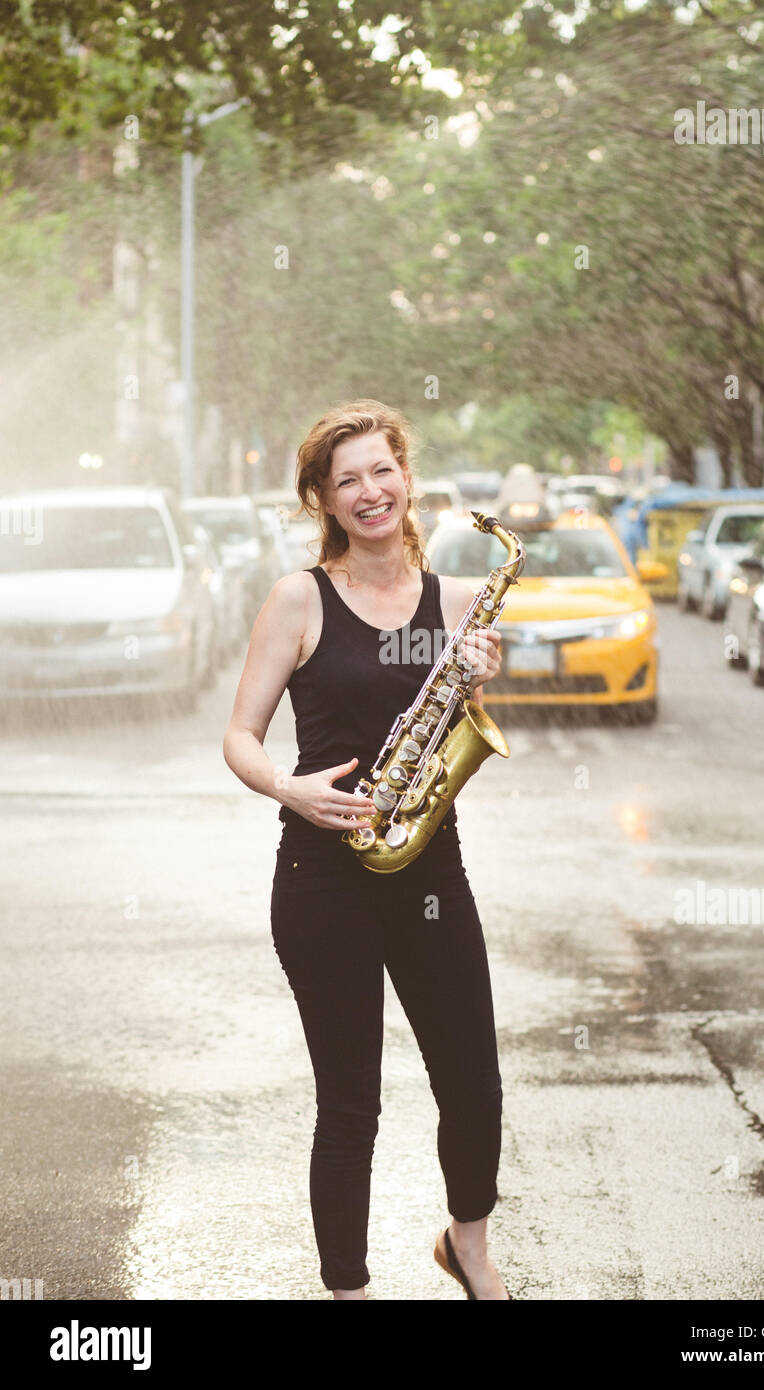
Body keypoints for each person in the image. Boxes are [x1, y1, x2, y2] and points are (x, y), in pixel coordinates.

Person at [223, 400, 511, 1300]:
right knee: (351, 1107)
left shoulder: (459, 604)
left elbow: (445, 740)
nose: (370, 490)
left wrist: (478, 683)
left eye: (381, 470)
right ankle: (347, 1290)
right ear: (324, 499)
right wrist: (287, 787)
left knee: (473, 1082)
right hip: (321, 880)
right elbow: (240, 734)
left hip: (429, 865)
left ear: (406, 477)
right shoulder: (299, 598)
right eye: (347, 479)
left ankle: (467, 1244)